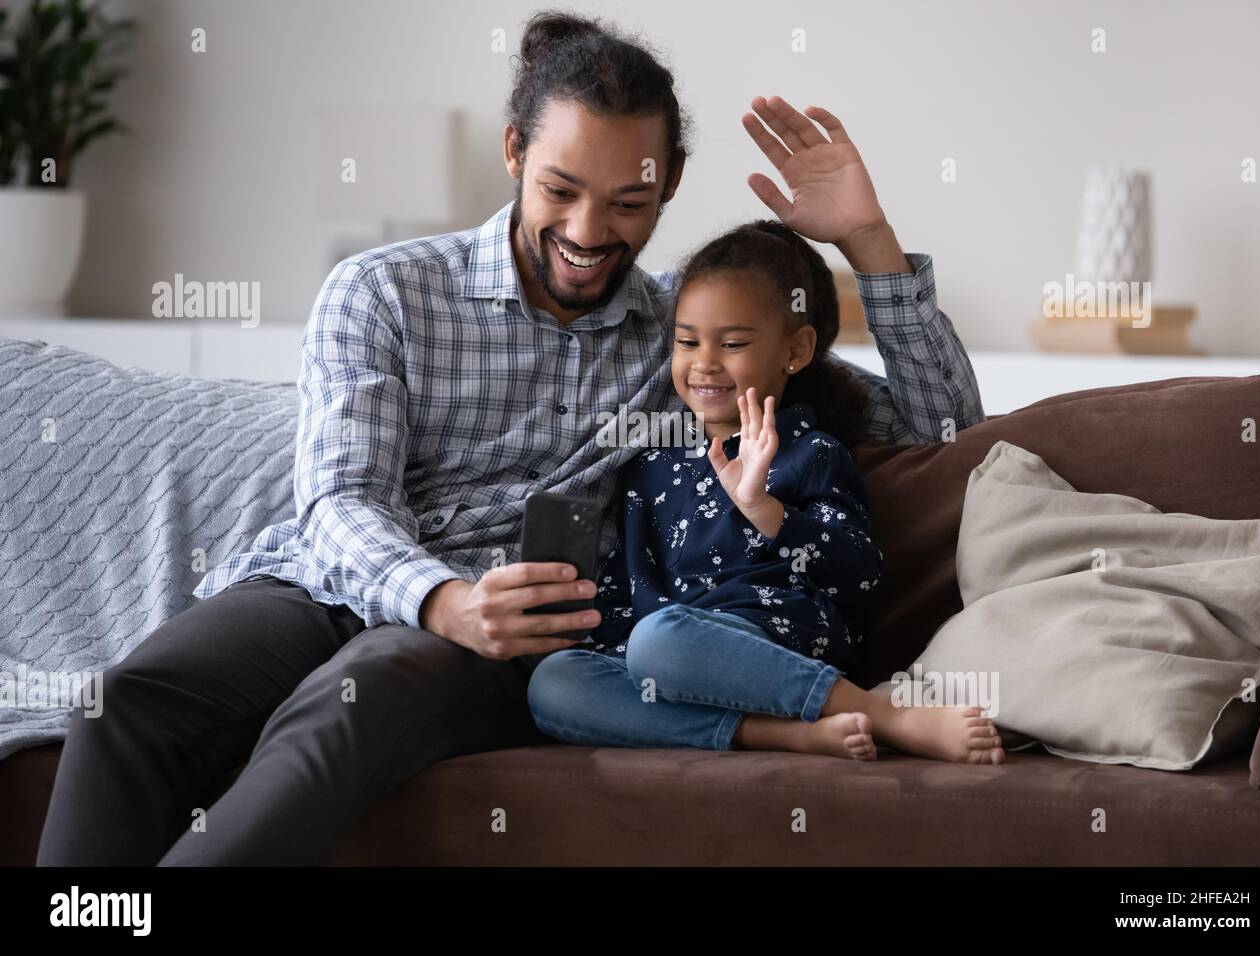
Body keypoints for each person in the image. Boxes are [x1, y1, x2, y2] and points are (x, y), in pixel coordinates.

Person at [36, 10, 986, 866]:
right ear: (513, 154)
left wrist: (868, 240)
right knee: (124, 703)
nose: (588, 231)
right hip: (330, 583)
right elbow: (340, 501)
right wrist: (439, 597)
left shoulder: (685, 343)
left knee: (347, 708)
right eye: (561, 189)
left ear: (669, 187)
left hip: (516, 632)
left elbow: (944, 427)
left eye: (627, 203)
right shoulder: (386, 292)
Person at [527, 221, 1004, 763]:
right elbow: (628, 584)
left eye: (732, 344)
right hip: (671, 653)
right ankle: (775, 733)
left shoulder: (811, 452)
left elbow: (859, 574)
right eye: (687, 341)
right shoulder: (651, 464)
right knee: (556, 682)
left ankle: (887, 716)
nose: (704, 362)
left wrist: (762, 508)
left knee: (662, 641)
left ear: (796, 350)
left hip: (773, 644)